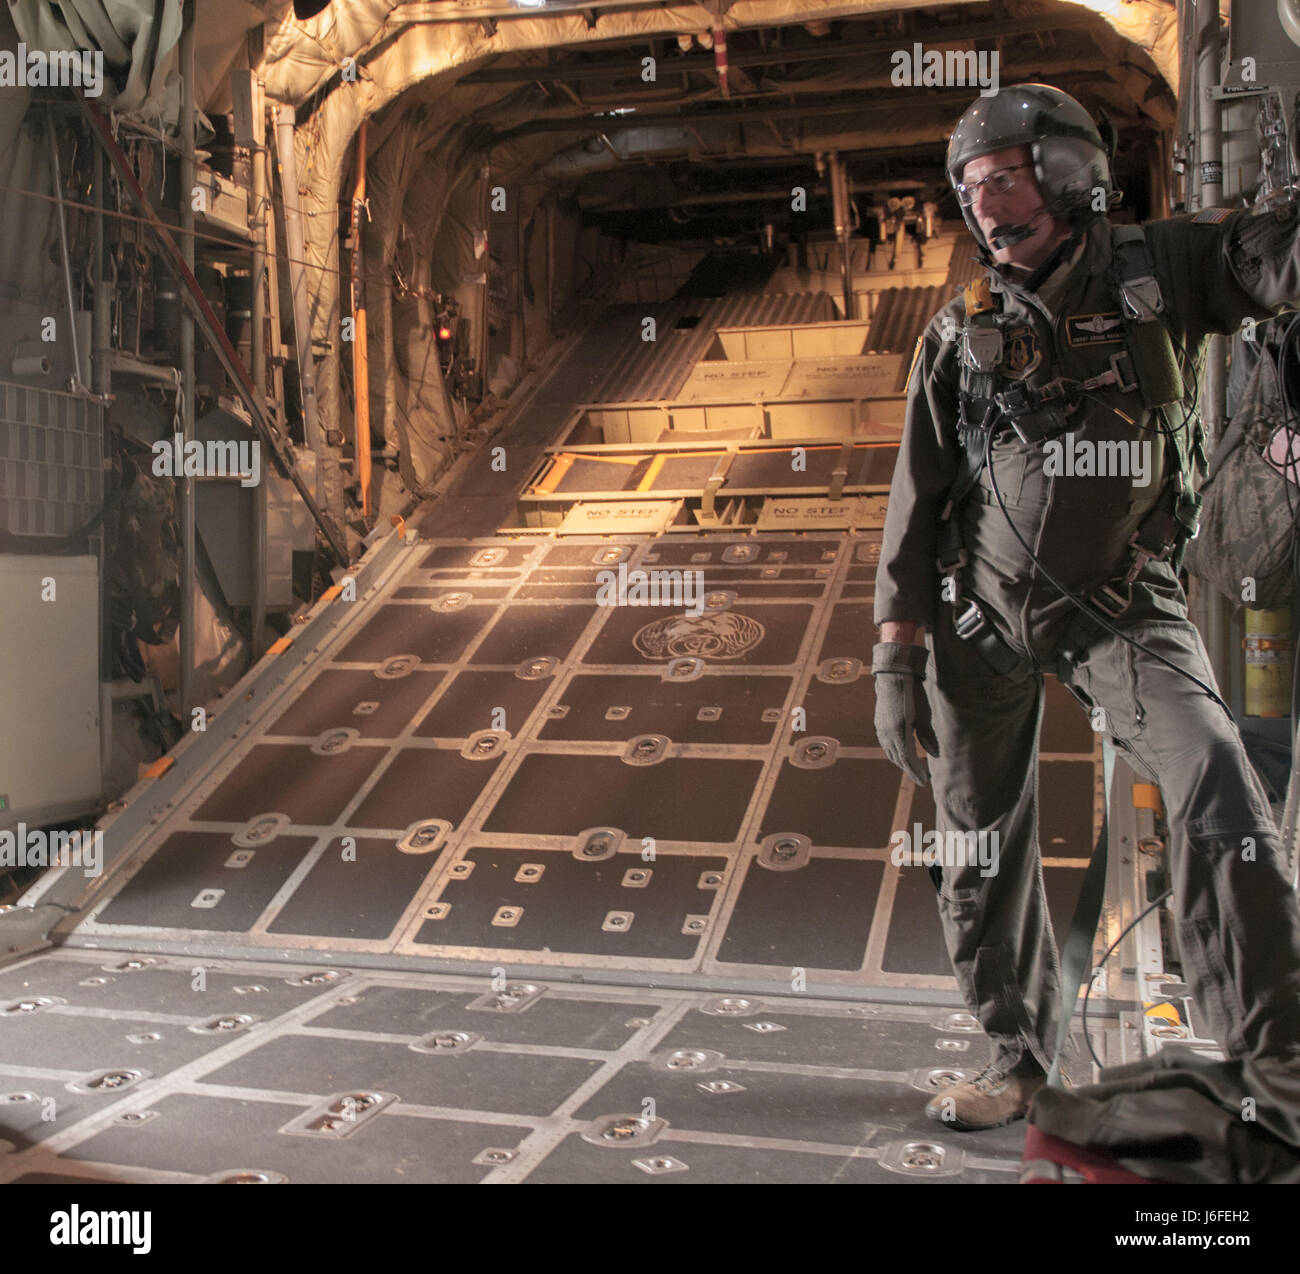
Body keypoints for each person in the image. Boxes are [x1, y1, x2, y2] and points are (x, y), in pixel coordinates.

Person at [872, 82, 1300, 1132]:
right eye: (968, 190)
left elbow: (1263, 264)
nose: (982, 206)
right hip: (977, 616)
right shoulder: (955, 337)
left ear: (1067, 175)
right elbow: (914, 504)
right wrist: (893, 660)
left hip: (1119, 604)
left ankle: (1274, 1062)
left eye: (1002, 179)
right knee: (976, 839)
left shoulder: (1162, 271)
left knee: (1217, 781)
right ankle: (1016, 1055)